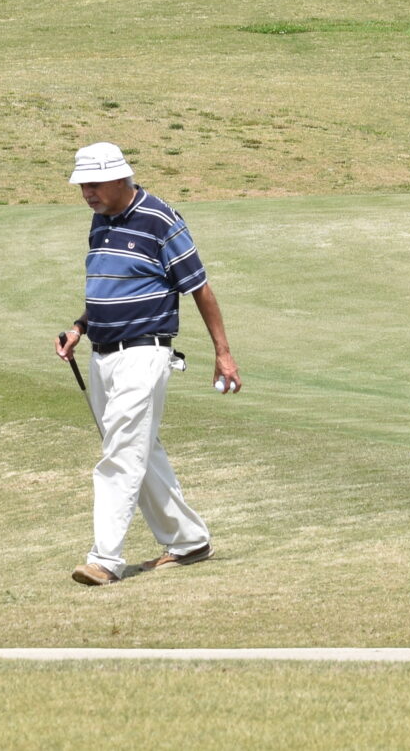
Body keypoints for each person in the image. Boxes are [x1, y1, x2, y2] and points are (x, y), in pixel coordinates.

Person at [53, 142, 242, 586]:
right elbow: (105, 285)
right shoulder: (99, 222)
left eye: (95, 184)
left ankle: (105, 559)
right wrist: (80, 328)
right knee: (140, 451)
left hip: (145, 352)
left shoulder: (160, 219)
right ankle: (189, 540)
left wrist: (223, 353)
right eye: (82, 186)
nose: (87, 194)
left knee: (120, 455)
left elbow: (200, 287)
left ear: (122, 177)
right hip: (102, 354)